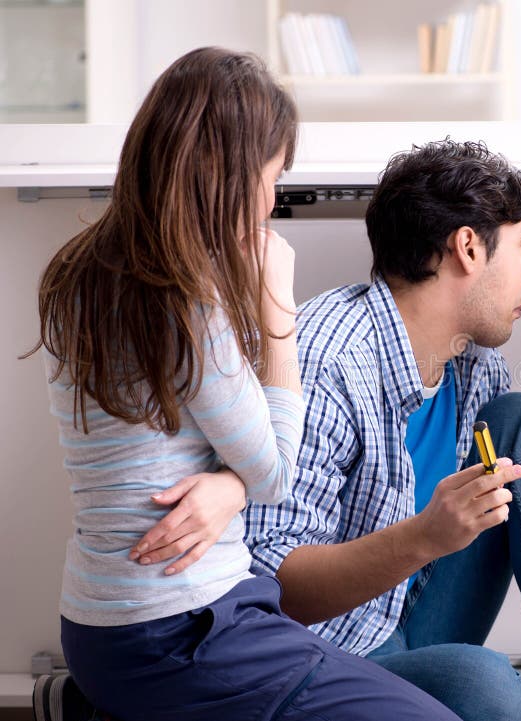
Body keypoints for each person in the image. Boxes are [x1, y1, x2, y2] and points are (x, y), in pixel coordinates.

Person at [132, 140, 521, 721]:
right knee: (491, 690)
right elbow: (273, 591)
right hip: (329, 660)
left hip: (413, 617)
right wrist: (426, 536)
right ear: (469, 247)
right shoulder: (331, 359)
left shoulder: (475, 363)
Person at [27, 48, 462, 721]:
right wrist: (277, 312)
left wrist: (231, 485)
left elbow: (201, 456)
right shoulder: (185, 298)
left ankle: (102, 705)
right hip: (186, 627)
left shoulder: (75, 273)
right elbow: (276, 470)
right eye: (273, 174)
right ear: (228, 171)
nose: (273, 198)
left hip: (96, 626)